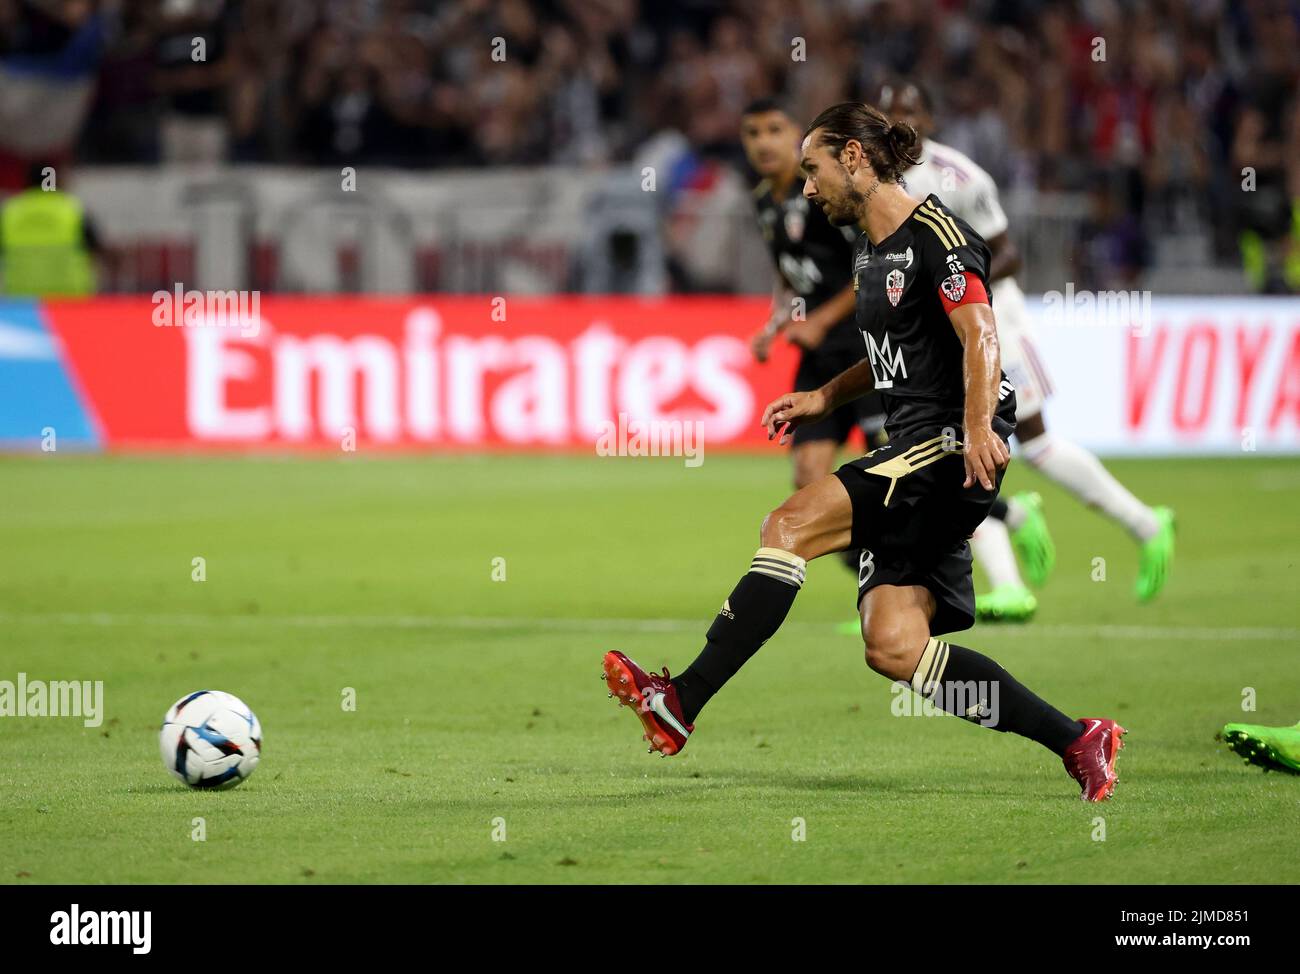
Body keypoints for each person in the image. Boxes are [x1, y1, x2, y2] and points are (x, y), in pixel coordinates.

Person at [603, 103, 1125, 802]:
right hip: (921, 449)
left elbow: (981, 334)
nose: (808, 188)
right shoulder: (872, 252)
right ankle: (1077, 739)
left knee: (788, 524)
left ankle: (681, 701)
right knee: (894, 648)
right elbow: (893, 355)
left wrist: (976, 426)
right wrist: (824, 397)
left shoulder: (938, 235)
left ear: (855, 157)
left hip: (942, 448)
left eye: (815, 171)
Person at [881, 82, 1175, 614]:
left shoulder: (961, 177)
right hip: (937, 331)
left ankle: (1145, 524)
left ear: (928, 114)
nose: (900, 119)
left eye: (910, 109)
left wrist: (955, 282)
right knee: (951, 444)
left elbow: (1007, 252)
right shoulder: (881, 178)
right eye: (891, 111)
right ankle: (1008, 584)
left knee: (1035, 444)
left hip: (996, 323)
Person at [740, 98, 885, 573]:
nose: (763, 142)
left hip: (863, 345)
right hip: (820, 353)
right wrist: (774, 324)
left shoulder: (826, 195)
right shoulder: (764, 199)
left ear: (797, 136)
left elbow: (867, 269)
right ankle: (868, 572)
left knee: (890, 464)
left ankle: (1007, 514)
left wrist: (821, 319)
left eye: (774, 129)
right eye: (753, 133)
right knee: (806, 476)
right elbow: (790, 275)